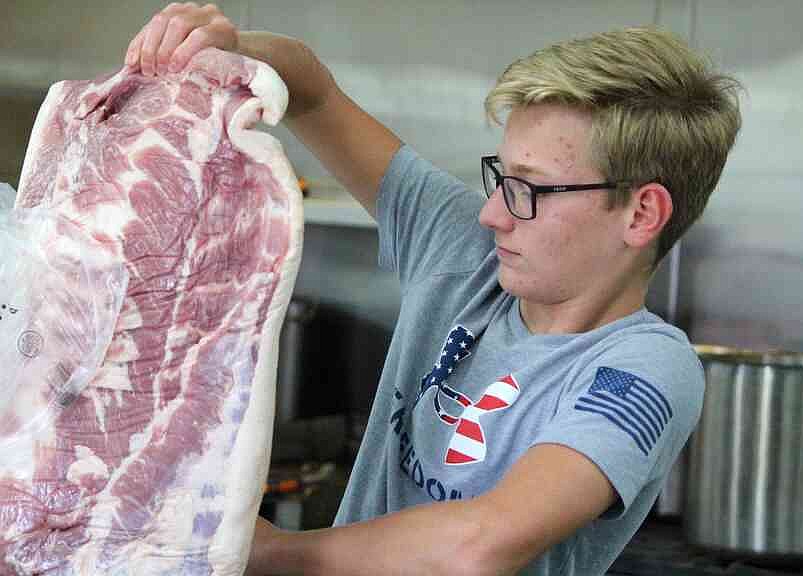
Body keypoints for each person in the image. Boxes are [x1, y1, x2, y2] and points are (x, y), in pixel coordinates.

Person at [126, 4, 742, 575]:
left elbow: (483, 543)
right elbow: (311, 92)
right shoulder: (467, 255)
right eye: (501, 177)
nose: (493, 215)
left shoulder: (646, 367)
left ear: (641, 214)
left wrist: (270, 553)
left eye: (530, 189)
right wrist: (229, 44)